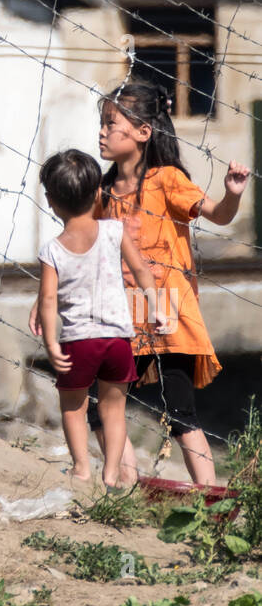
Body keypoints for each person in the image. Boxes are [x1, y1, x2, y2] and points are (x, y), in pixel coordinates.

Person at [94, 81, 250, 485]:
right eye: (102, 124)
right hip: (125, 315)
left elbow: (217, 214)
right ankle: (127, 486)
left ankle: (208, 497)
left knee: (181, 413)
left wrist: (232, 194)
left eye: (111, 124)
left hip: (168, 311)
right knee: (103, 408)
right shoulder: (103, 193)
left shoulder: (166, 180)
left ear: (144, 133)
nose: (102, 133)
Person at [37, 149, 167, 491]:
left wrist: (51, 342)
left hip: (79, 341)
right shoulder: (114, 231)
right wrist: (155, 307)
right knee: (114, 410)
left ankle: (81, 469)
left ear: (50, 200)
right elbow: (141, 269)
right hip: (117, 339)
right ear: (98, 193)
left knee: (73, 407)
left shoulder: (52, 250)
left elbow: (48, 300)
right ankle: (111, 475)